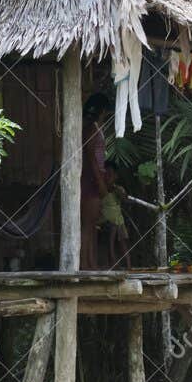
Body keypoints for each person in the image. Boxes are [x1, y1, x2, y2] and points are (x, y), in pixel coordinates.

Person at [79, 95, 113, 269]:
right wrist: (100, 183)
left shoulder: (94, 128)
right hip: (91, 181)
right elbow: (92, 158)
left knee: (92, 226)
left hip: (94, 179)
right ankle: (85, 265)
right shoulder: (91, 129)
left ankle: (90, 264)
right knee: (87, 225)